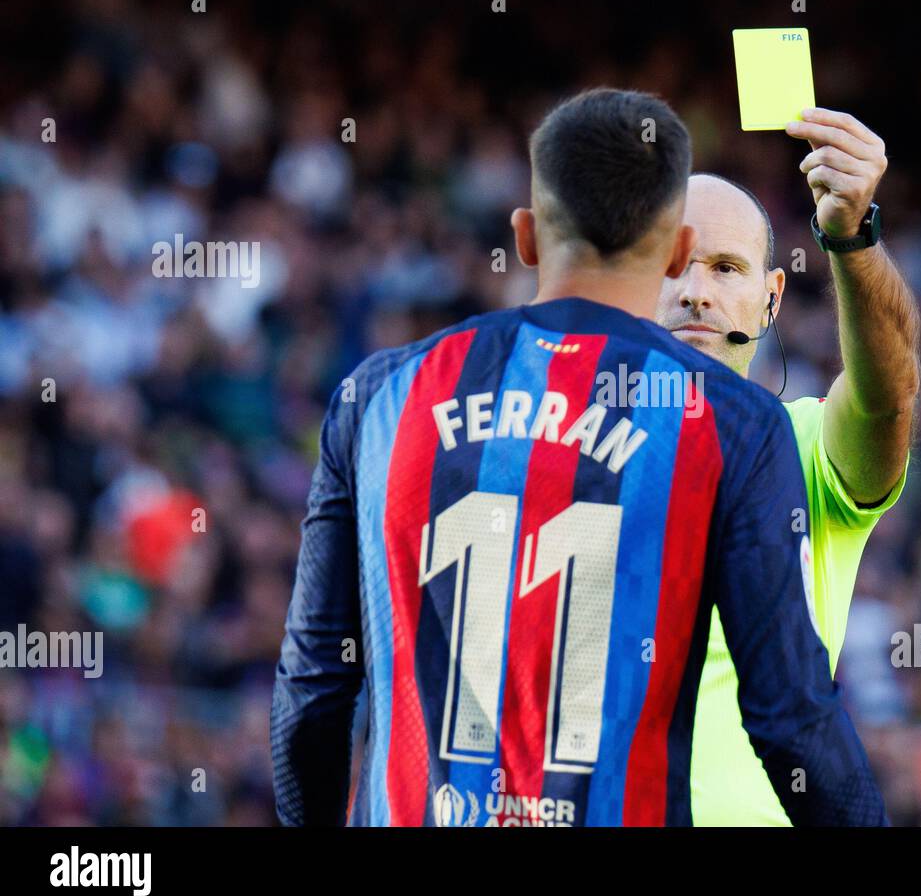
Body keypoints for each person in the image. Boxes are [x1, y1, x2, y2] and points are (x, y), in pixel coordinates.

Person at [271, 89, 887, 826]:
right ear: (676, 249)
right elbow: (791, 721)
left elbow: (312, 692)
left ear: (526, 237)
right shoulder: (732, 426)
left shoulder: (379, 398)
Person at [656, 108, 919, 825]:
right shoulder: (561, 445)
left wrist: (851, 238)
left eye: (725, 268)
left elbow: (887, 398)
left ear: (771, 298)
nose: (695, 291)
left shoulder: (798, 444)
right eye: (670, 265)